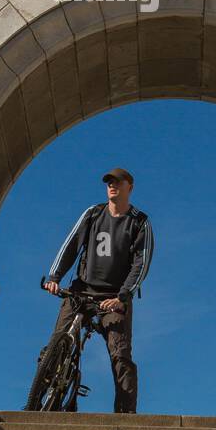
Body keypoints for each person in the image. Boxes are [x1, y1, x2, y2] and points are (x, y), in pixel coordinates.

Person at [42, 168, 154, 414]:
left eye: (118, 182)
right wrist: (54, 277)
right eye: (109, 183)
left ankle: (125, 416)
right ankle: (45, 392)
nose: (112, 186)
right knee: (56, 342)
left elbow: (141, 264)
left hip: (114, 297)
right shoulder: (93, 214)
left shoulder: (139, 222)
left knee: (120, 356)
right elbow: (70, 245)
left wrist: (122, 298)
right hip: (82, 291)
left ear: (130, 187)